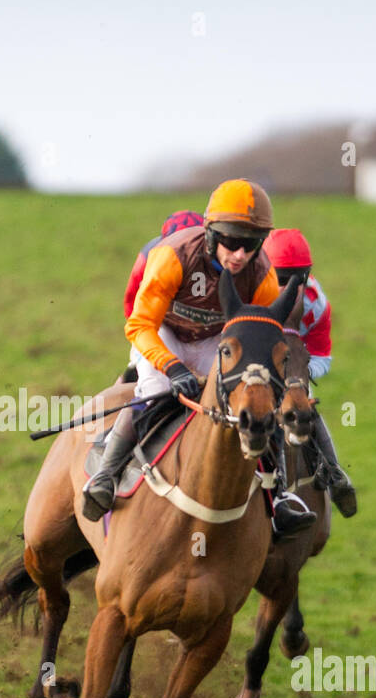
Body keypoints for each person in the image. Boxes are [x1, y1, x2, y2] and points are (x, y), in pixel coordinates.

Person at [82, 178, 316, 539]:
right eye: (231, 242)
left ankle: (279, 493)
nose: (239, 254)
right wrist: (172, 366)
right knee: (156, 389)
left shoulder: (262, 273)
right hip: (165, 333)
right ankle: (106, 476)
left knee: (251, 402)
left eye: (250, 244)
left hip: (216, 340)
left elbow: (267, 333)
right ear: (210, 233)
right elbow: (140, 324)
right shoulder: (173, 256)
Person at [263, 227, 357, 517]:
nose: (289, 289)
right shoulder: (248, 291)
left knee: (303, 406)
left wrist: (298, 377)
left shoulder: (315, 304)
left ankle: (334, 474)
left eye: (298, 279)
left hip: (293, 367)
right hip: (253, 363)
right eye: (280, 279)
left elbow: (323, 358)